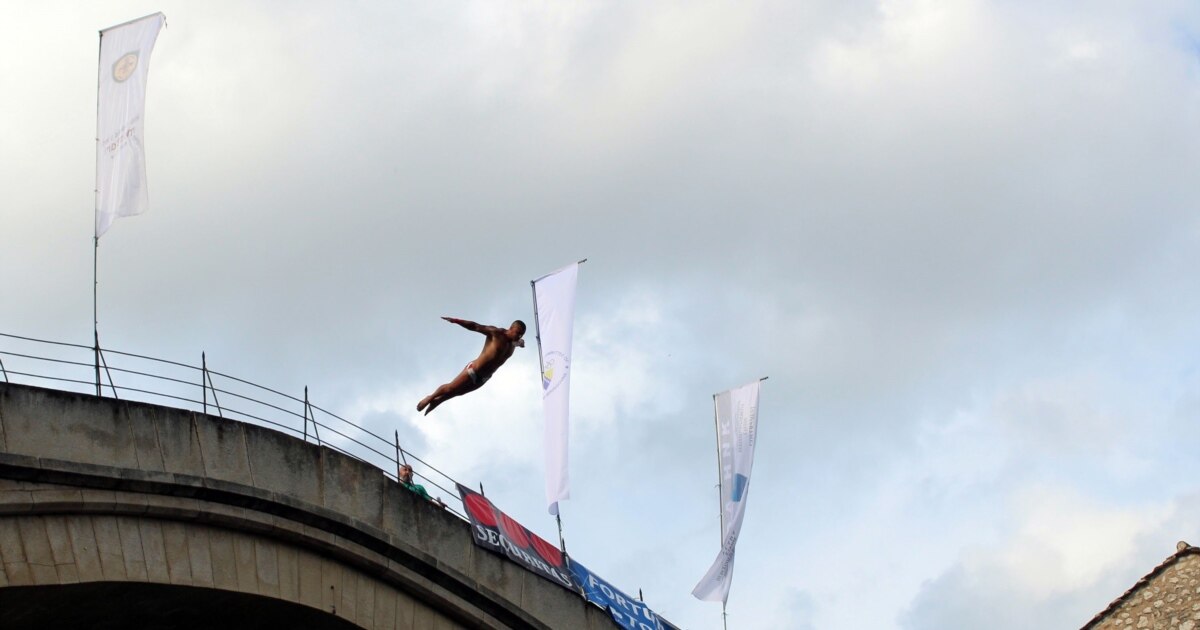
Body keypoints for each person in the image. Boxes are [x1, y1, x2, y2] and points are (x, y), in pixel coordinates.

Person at [417, 317, 526, 415]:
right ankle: (430, 397)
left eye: (521, 334)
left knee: (458, 392)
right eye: (517, 333)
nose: (518, 336)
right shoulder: (496, 333)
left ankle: (437, 401)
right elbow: (475, 326)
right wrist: (457, 321)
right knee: (451, 388)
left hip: (484, 378)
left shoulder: (515, 342)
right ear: (510, 328)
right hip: (474, 370)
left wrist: (521, 342)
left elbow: (520, 342)